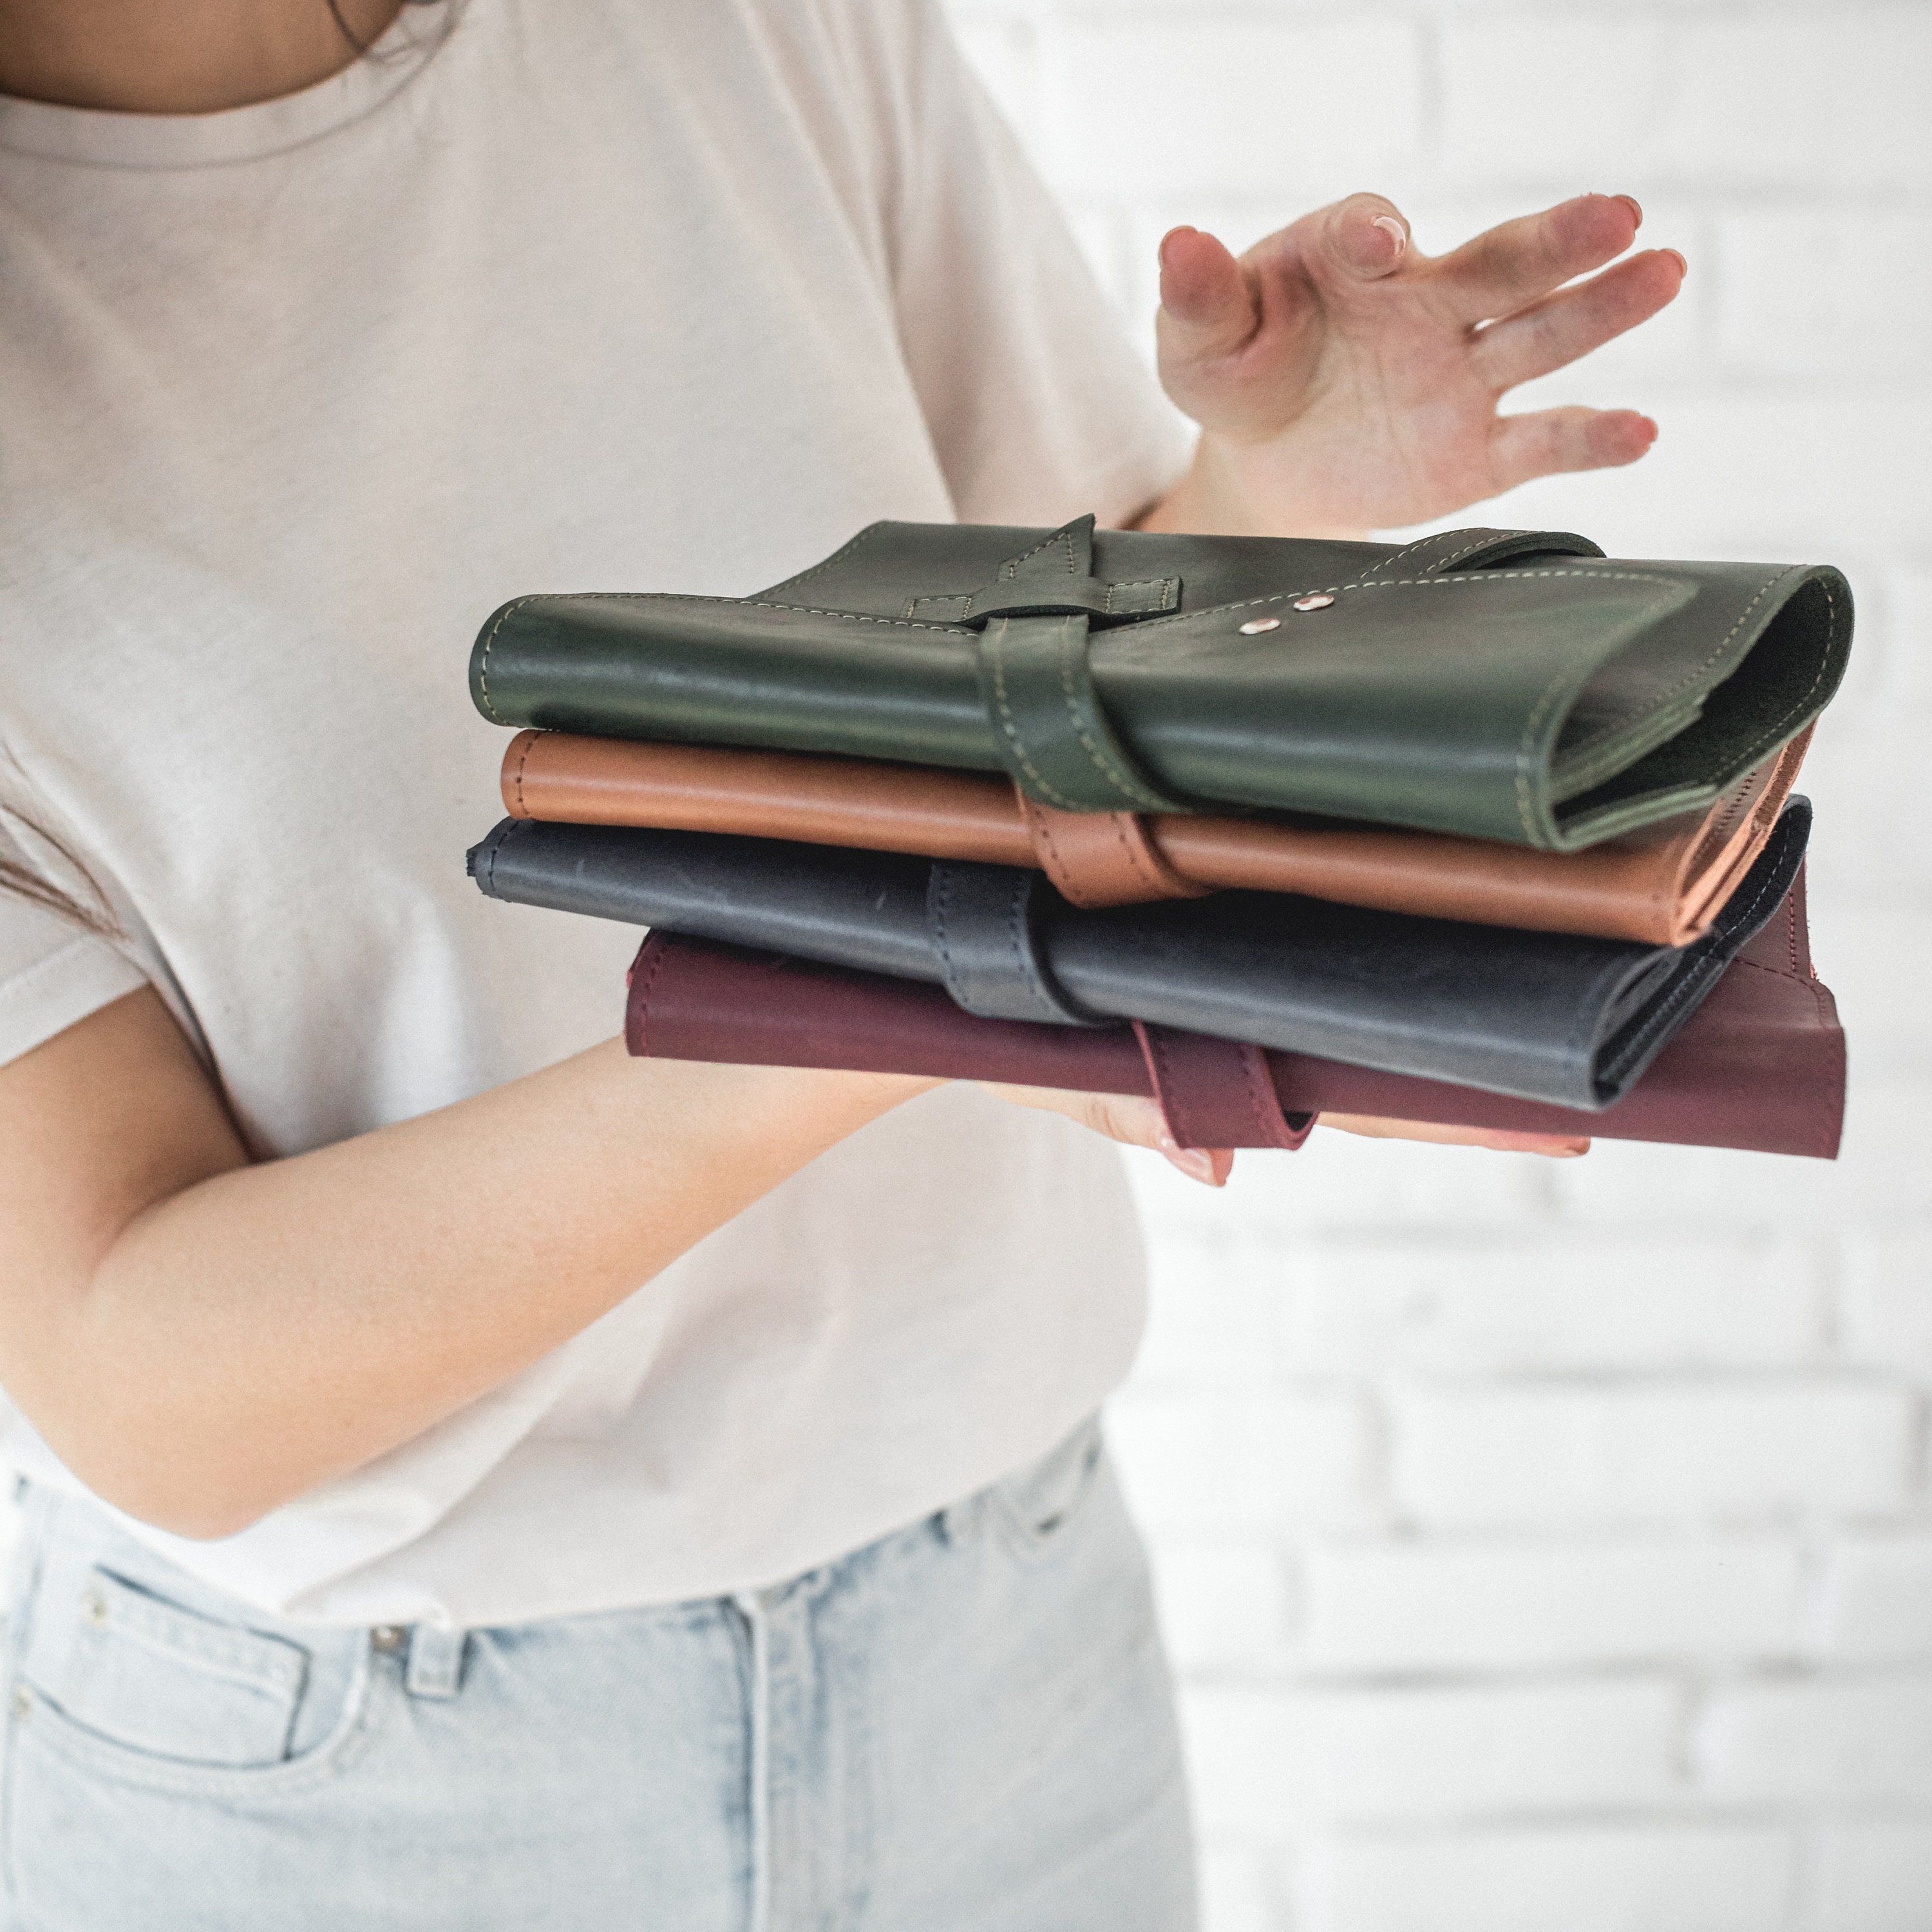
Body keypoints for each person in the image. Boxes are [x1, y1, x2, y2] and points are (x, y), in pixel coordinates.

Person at [0, 2, 1683, 1925]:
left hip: (1011, 1642)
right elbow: (132, 1360)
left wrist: (1265, 512)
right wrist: (928, 968)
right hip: (343, 1792)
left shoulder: (747, 29)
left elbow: (1063, 655)